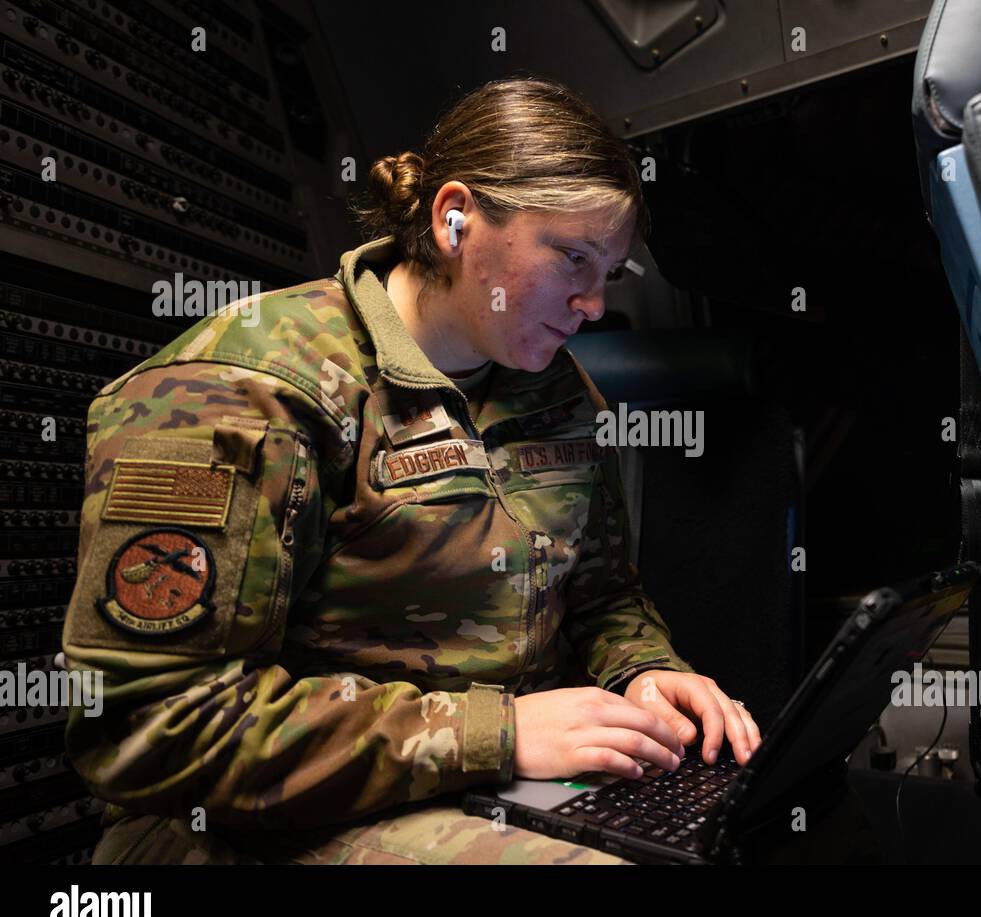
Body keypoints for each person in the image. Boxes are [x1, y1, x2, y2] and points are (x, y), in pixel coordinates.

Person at [61, 75, 761, 865]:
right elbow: (150, 725)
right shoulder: (240, 390)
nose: (594, 305)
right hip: (245, 820)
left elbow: (599, 594)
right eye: (572, 258)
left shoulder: (553, 387)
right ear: (454, 218)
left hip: (494, 776)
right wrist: (496, 734)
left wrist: (646, 672)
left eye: (610, 274)